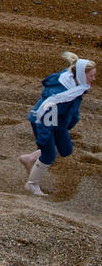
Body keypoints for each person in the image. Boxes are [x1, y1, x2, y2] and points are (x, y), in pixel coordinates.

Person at [20, 51, 95, 196]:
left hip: (59, 123)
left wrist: (71, 121)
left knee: (66, 149)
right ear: (81, 75)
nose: (94, 79)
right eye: (91, 75)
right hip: (43, 122)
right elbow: (45, 119)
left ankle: (30, 158)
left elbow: (71, 109)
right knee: (49, 154)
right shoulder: (60, 96)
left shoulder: (75, 83)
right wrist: (44, 140)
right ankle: (32, 185)